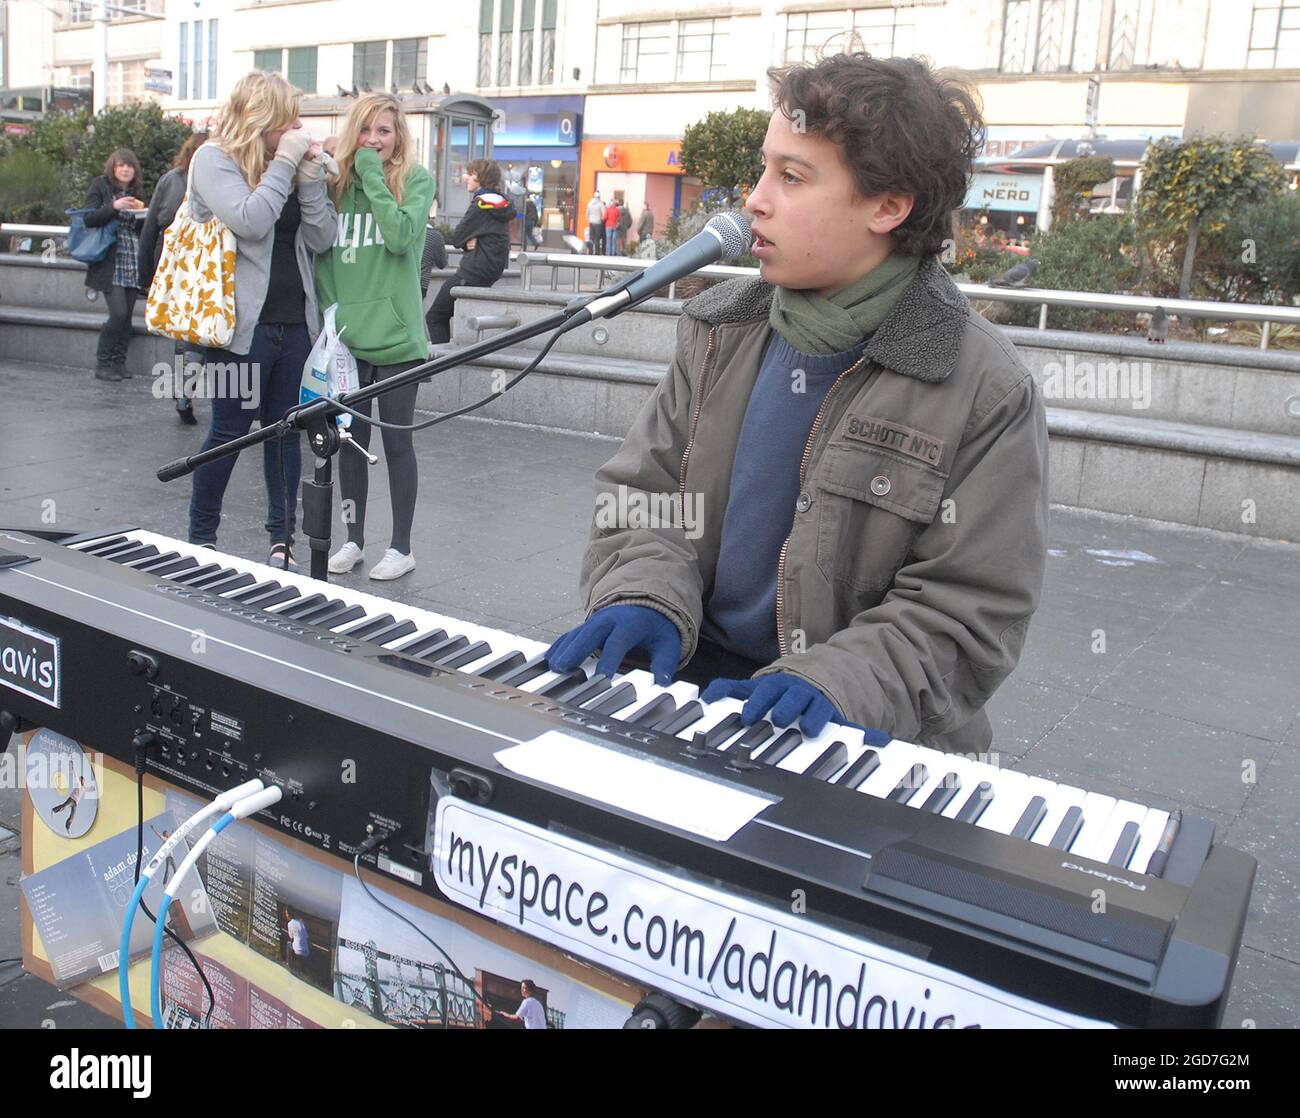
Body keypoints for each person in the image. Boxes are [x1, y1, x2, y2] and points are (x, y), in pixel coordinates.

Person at [545, 54, 1049, 754]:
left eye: (791, 176)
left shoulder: (984, 387)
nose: (754, 199)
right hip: (688, 700)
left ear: (889, 206)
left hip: (857, 741)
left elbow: (968, 610)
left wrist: (835, 682)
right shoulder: (718, 329)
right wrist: (642, 595)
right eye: (762, 169)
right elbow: (645, 497)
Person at [184, 70, 337, 570]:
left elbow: (321, 240)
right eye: (288, 119)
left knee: (283, 432)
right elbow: (249, 219)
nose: (296, 128)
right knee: (228, 430)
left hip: (293, 324)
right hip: (237, 330)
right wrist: (288, 164)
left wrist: (310, 183)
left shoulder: (286, 166)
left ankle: (281, 538)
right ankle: (202, 535)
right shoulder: (213, 160)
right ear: (262, 118)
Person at [317, 92, 436, 582]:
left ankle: (401, 546)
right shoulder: (335, 186)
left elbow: (402, 238)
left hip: (398, 337)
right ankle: (353, 540)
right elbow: (322, 256)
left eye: (384, 131)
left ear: (398, 136)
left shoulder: (416, 180)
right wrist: (333, 319)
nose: (373, 140)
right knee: (350, 443)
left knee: (397, 442)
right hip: (348, 335)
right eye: (365, 130)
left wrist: (371, 175)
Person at [138, 131, 209, 424]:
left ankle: (184, 391)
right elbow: (153, 227)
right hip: (186, 264)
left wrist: (147, 274)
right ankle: (185, 392)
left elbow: (151, 227)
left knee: (187, 334)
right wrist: (147, 274)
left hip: (183, 265)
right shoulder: (175, 180)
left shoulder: (175, 180)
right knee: (192, 333)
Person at [425, 159, 513, 345]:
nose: (467, 178)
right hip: (489, 271)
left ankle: (441, 363)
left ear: (481, 179)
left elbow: (457, 237)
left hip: (473, 270)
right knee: (463, 318)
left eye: (471, 175)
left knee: (435, 316)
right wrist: (469, 243)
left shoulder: (481, 204)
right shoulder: (500, 203)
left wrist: (466, 243)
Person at [82, 149, 146, 382]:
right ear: (113, 168)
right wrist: (114, 207)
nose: (126, 169)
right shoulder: (100, 186)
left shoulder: (136, 193)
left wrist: (144, 215)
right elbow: (89, 219)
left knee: (127, 315)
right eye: (121, 165)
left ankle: (119, 363)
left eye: (130, 166)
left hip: (132, 256)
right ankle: (103, 363)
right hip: (110, 259)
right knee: (117, 313)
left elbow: (140, 228)